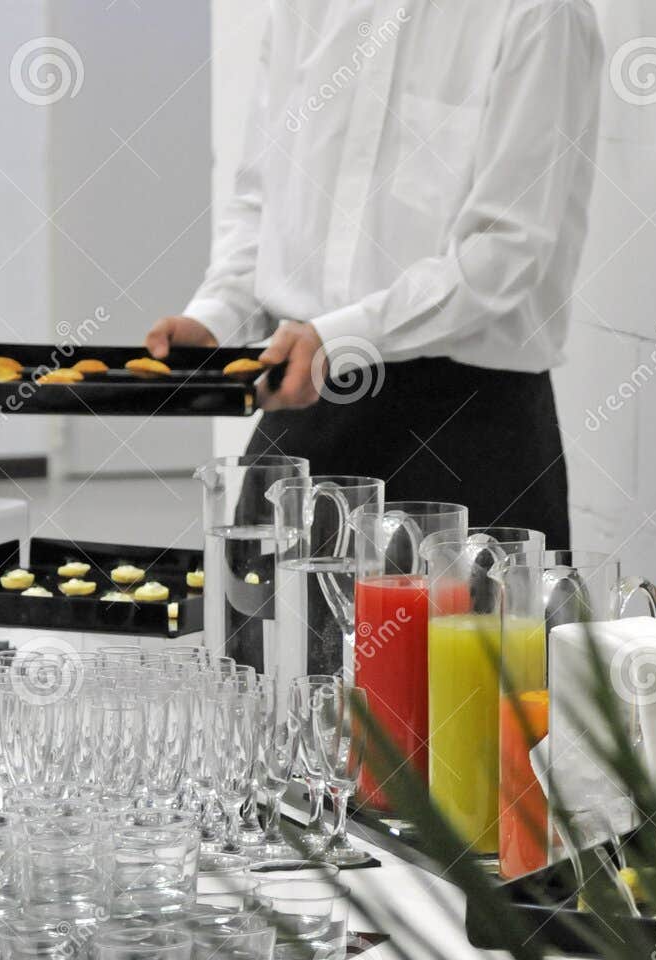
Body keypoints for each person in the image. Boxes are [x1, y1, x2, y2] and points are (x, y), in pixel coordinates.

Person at [147, 0, 603, 549]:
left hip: (469, 428)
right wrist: (216, 320)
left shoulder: (539, 12)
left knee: (477, 636)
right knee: (256, 631)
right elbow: (262, 201)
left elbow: (506, 253)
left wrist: (337, 339)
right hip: (308, 412)